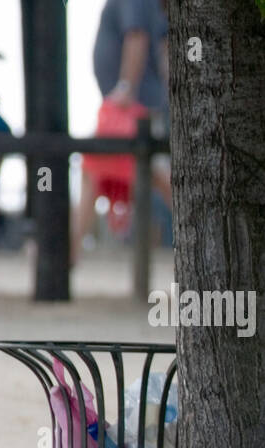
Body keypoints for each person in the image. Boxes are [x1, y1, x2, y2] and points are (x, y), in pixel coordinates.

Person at [73, 0, 171, 264]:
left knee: (98, 169)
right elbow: (164, 44)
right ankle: (72, 249)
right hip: (142, 103)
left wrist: (126, 87)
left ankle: (71, 250)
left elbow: (136, 35)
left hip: (131, 106)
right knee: (98, 171)